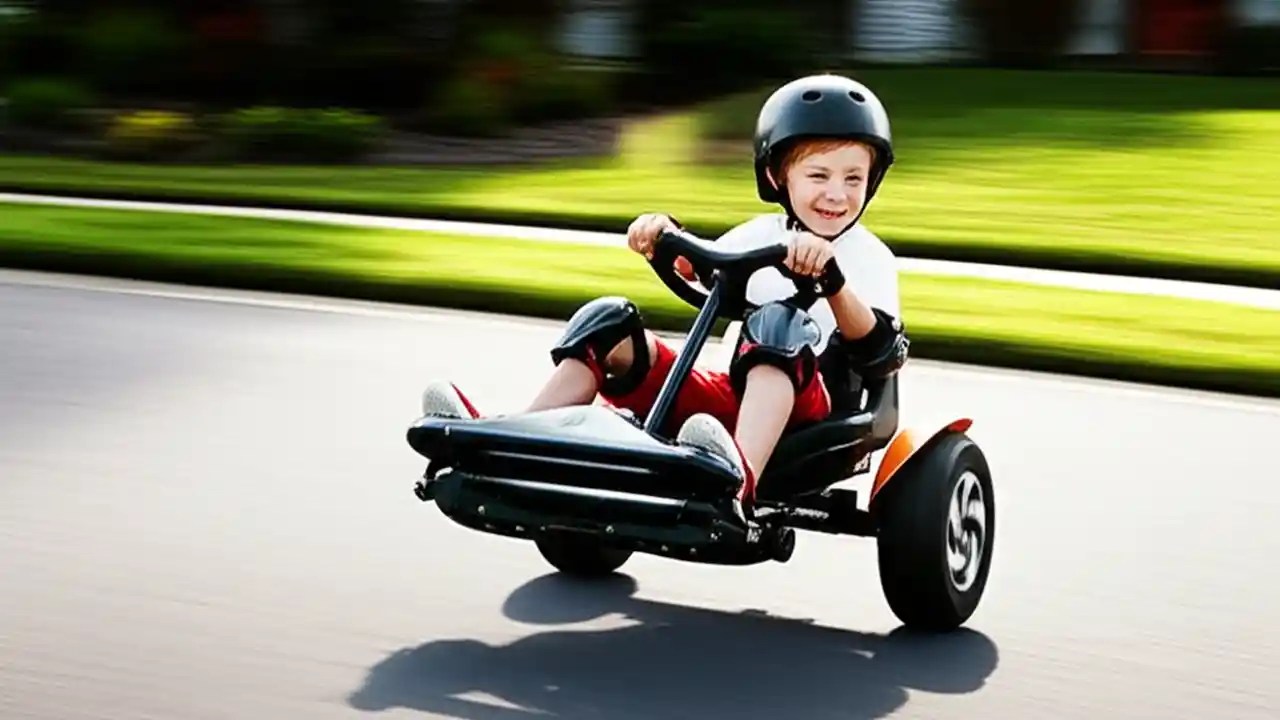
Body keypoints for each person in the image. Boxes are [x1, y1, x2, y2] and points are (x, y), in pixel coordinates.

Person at [419, 74, 909, 509]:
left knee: (775, 322)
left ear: (873, 181)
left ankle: (738, 486)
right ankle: (514, 442)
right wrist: (662, 237)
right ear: (776, 175)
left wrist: (833, 282)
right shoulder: (759, 234)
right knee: (611, 320)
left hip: (815, 413)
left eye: (853, 178)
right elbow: (704, 268)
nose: (837, 194)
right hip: (731, 403)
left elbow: (880, 350)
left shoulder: (869, 257)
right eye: (818, 175)